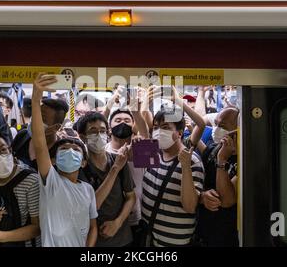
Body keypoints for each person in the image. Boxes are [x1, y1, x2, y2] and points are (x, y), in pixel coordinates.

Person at [31, 74, 98, 247]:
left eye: (76, 150)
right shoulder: (51, 182)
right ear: (53, 159)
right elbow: (40, 144)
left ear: (83, 162)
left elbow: (93, 227)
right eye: (64, 149)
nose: (70, 152)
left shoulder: (88, 190)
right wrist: (35, 100)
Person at [141, 87, 205, 247]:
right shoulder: (152, 151)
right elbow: (140, 117)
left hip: (175, 242)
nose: (158, 132)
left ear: (180, 133)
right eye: (156, 127)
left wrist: (185, 168)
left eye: (165, 127)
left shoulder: (191, 161)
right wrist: (145, 100)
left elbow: (190, 206)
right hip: (149, 237)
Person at [76, 111, 136, 247]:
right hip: (93, 241)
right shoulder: (80, 167)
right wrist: (114, 170)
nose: (99, 135)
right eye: (93, 131)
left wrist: (118, 222)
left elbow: (131, 197)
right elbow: (92, 205)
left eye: (102, 131)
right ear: (82, 136)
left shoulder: (118, 160)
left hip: (122, 238)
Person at [105, 108, 150, 246]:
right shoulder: (103, 152)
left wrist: (136, 111)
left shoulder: (139, 150)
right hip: (110, 220)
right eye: (117, 121)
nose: (122, 123)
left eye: (127, 121)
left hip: (137, 218)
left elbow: (145, 135)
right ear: (110, 129)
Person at [196, 107, 239, 247]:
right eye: (216, 124)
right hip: (205, 230)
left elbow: (227, 201)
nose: (217, 129)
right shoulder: (214, 148)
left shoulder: (245, 161)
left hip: (226, 234)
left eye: (223, 126)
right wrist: (201, 196)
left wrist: (222, 160)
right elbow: (199, 184)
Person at [11, 98, 69, 170]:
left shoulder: (61, 152)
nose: (35, 121)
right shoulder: (22, 136)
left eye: (42, 119)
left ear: (56, 127)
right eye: (35, 116)